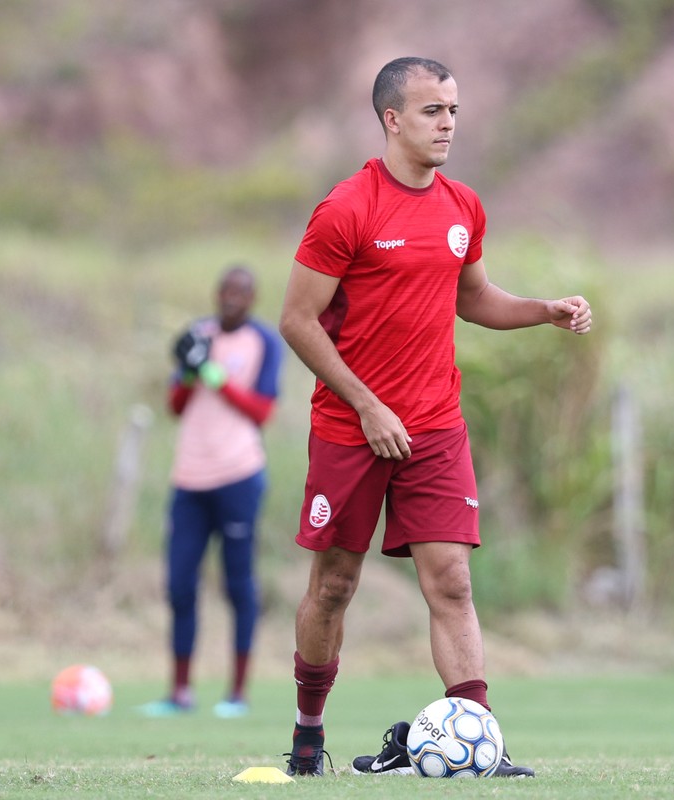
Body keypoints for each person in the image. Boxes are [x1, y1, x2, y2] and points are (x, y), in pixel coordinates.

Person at [277, 57, 592, 777]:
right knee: (333, 587)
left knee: (451, 581)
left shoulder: (462, 206)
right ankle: (306, 734)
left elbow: (472, 296)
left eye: (453, 109)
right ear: (392, 119)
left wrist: (542, 310)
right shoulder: (346, 209)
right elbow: (297, 321)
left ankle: (481, 740)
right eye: (431, 110)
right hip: (350, 428)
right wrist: (366, 404)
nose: (448, 122)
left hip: (435, 427)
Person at [139, 266, 283, 718]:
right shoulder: (197, 334)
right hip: (189, 480)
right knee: (180, 585)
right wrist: (186, 371)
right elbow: (176, 407)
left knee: (238, 586)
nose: (231, 298)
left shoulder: (263, 342)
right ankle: (179, 692)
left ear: (252, 297)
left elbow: (262, 410)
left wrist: (215, 375)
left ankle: (237, 693)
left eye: (240, 292)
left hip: (239, 476)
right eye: (225, 290)